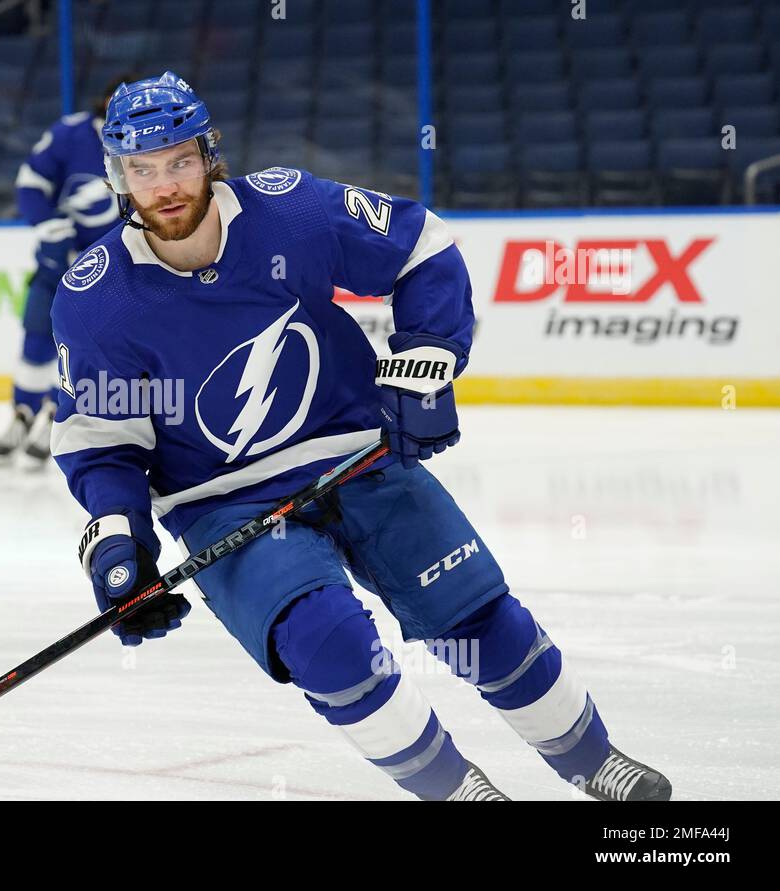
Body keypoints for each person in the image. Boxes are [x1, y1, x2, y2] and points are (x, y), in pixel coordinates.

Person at [50, 72, 672, 801]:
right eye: (143, 169)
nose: (165, 185)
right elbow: (102, 441)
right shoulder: (97, 301)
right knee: (329, 642)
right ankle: (458, 790)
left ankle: (592, 760)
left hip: (360, 457)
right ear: (118, 177)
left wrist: (425, 364)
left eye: (179, 160)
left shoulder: (289, 211)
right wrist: (120, 540)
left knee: (476, 615)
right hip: (226, 504)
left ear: (209, 154)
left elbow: (420, 246)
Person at [0, 79, 127, 465]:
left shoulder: (141, 145)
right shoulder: (70, 133)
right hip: (55, 264)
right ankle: (21, 415)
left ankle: (54, 414)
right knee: (36, 338)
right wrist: (50, 227)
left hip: (112, 275)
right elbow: (30, 184)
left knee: (78, 350)